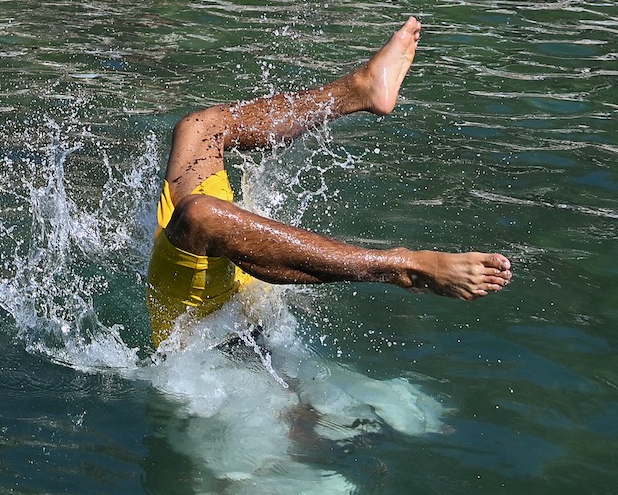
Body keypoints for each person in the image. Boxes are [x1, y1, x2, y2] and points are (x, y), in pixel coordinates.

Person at [146, 19, 511, 344]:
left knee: (201, 127)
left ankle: (360, 89)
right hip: (206, 342)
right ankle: (404, 268)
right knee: (201, 217)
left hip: (230, 300)